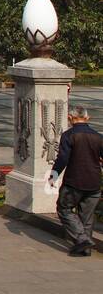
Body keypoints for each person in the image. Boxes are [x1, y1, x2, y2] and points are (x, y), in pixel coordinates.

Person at [49, 107, 101, 256]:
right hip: (94, 182)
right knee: (87, 216)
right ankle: (84, 249)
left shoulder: (69, 135)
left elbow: (63, 159)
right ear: (87, 118)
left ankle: (82, 239)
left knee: (63, 209)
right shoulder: (98, 136)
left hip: (74, 181)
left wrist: (54, 175)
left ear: (70, 118)